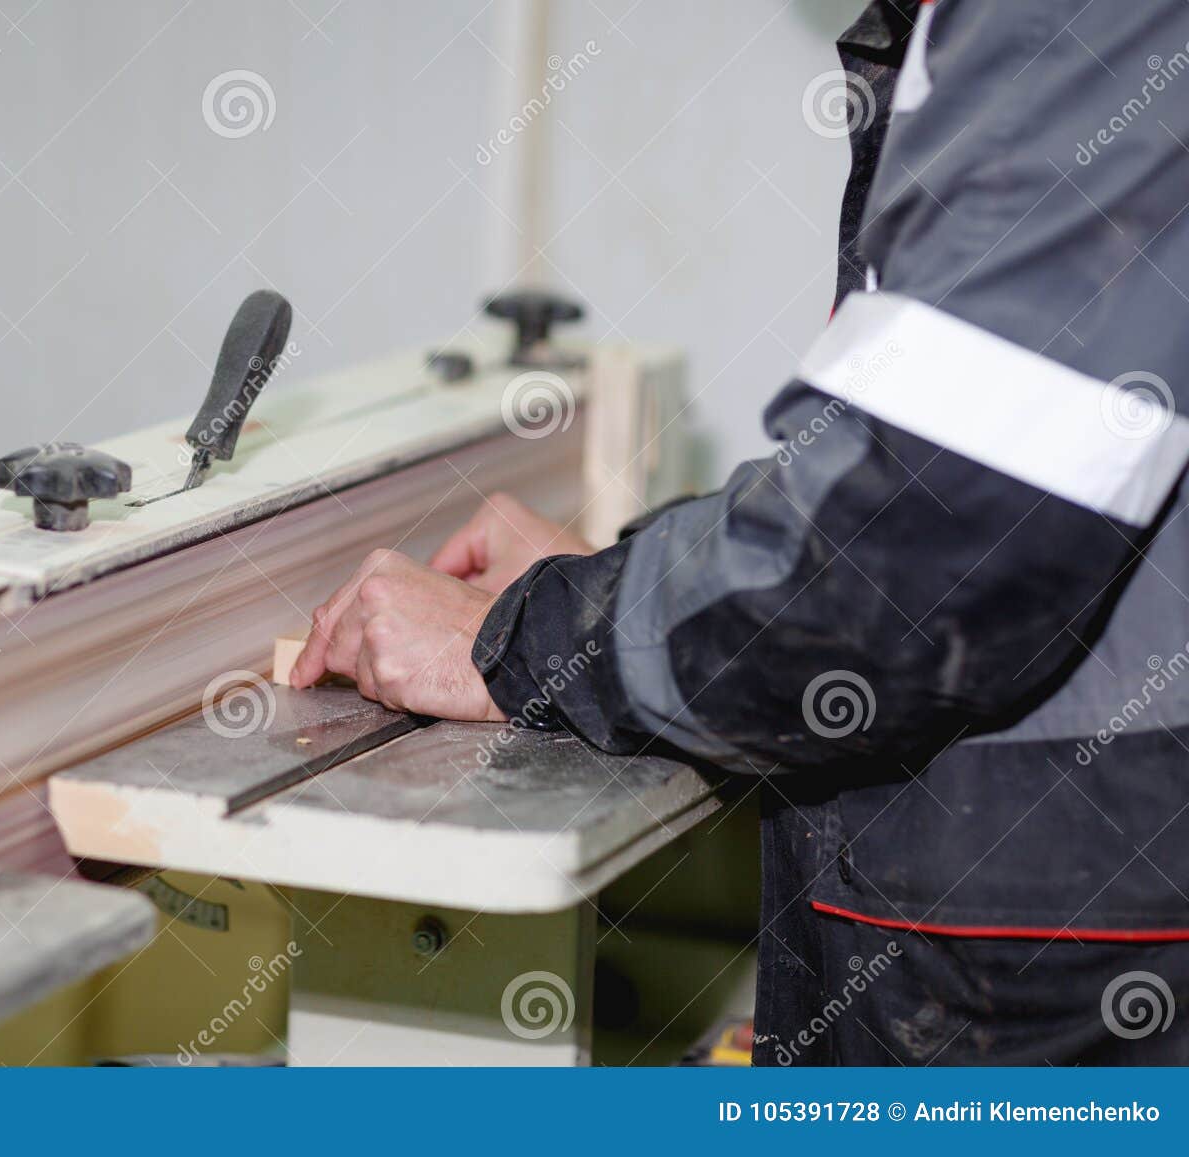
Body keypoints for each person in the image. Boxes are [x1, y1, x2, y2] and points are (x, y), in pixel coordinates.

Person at [289, 0, 1189, 1064]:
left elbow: (916, 549)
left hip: (1058, 947)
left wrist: (526, 639)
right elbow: (906, 454)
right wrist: (613, 572)